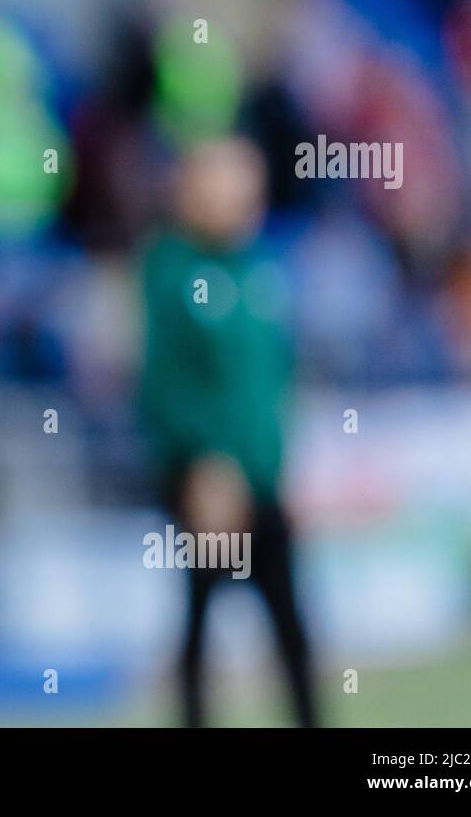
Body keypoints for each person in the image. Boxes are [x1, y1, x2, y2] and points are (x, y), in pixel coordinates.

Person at [136, 137, 318, 727]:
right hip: (207, 479)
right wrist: (203, 463)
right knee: (201, 620)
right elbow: (165, 383)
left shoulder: (262, 268)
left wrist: (281, 465)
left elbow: (275, 378)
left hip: (264, 476)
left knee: (290, 621)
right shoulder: (171, 269)